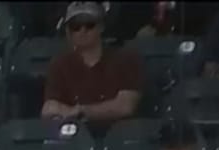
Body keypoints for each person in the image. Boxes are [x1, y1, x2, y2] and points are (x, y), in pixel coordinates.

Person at [41, 1, 143, 133]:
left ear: (101, 27)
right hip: (75, 140)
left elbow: (126, 106)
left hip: (120, 137)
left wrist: (81, 111)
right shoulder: (59, 64)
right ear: (68, 32)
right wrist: (74, 112)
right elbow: (48, 109)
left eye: (89, 24)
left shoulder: (126, 59)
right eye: (76, 26)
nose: (83, 30)